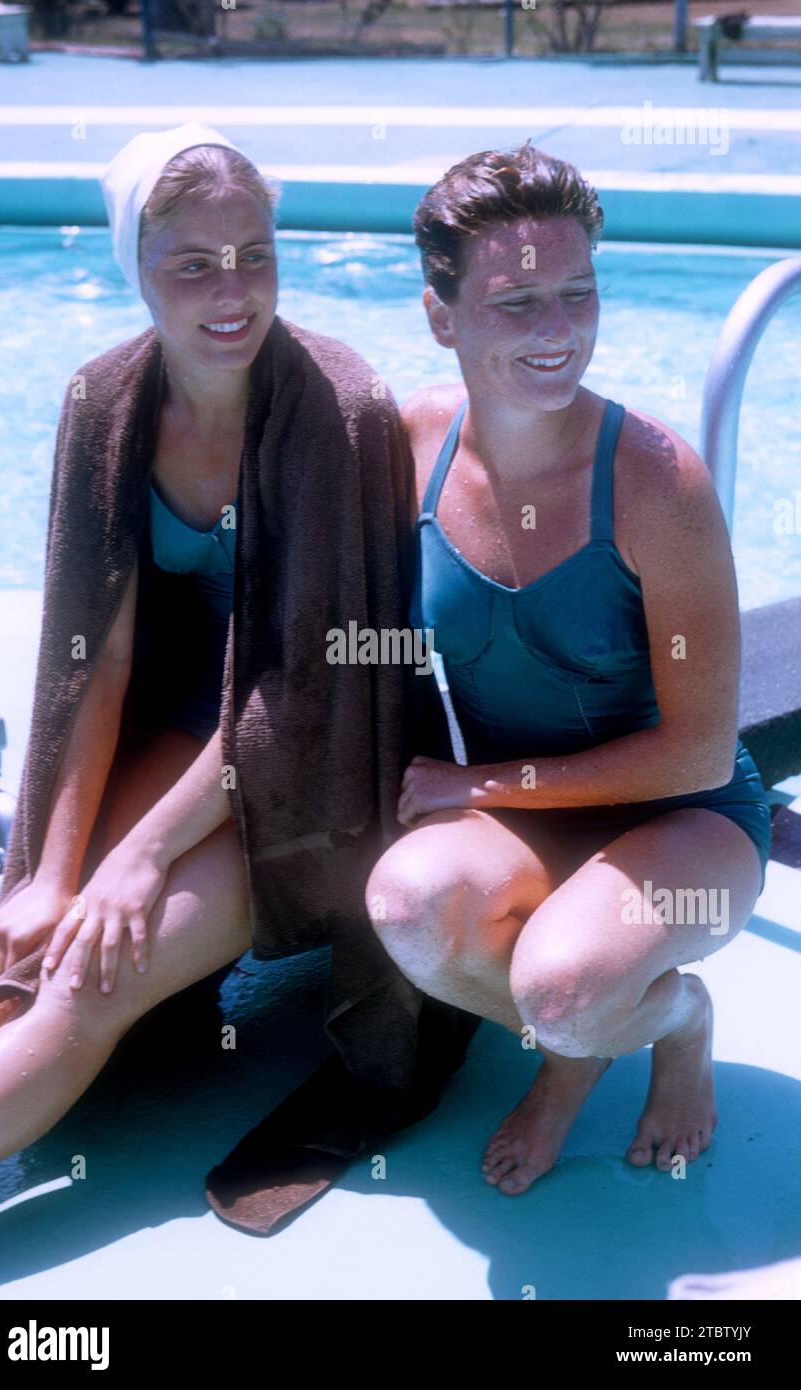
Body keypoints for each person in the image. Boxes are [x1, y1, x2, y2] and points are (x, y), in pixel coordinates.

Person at [0, 124, 436, 1201]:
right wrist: (49, 866)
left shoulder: (339, 409)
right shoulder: (106, 399)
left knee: (87, 975)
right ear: (135, 268)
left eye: (255, 254)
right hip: (180, 727)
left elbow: (305, 692)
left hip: (309, 761)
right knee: (14, 948)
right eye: (194, 264)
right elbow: (94, 659)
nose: (234, 292)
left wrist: (136, 860)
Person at [366, 145, 773, 1197]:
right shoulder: (413, 441)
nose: (558, 329)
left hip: (692, 820)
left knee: (559, 990)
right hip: (532, 828)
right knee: (410, 905)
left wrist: (478, 787)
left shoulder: (657, 482)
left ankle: (669, 1021)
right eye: (516, 301)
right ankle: (600, 1022)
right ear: (440, 314)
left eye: (578, 293)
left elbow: (695, 747)